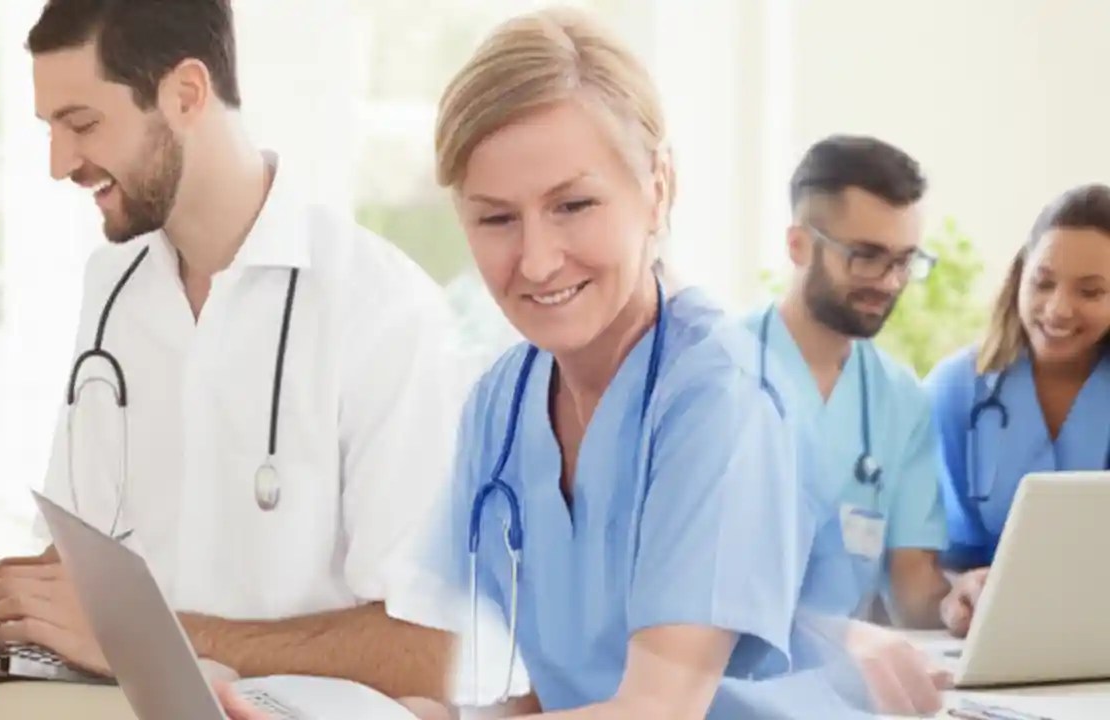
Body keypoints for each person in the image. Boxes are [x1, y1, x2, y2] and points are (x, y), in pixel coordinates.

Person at [220, 9, 943, 720]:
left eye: (572, 205)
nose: (535, 261)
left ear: (658, 187)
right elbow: (518, 689)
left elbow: (653, 712)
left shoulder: (722, 401)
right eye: (496, 218)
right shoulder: (502, 404)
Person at [0, 1, 462, 718]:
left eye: (82, 124)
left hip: (272, 697)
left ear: (186, 94)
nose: (59, 164)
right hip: (125, 674)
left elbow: (430, 650)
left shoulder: (380, 311)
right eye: (50, 130)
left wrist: (152, 636)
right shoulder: (116, 289)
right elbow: (88, 554)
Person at [744, 135, 955, 632]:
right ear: (798, 246)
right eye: (866, 256)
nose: (888, 281)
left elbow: (912, 592)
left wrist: (964, 599)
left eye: (904, 260)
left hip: (846, 686)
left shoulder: (901, 400)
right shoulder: (714, 371)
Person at [924, 183, 1110, 638]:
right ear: (1018, 277)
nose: (1058, 309)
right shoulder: (954, 390)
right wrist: (958, 590)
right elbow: (923, 555)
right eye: (1043, 283)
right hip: (993, 636)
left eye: (1090, 291)